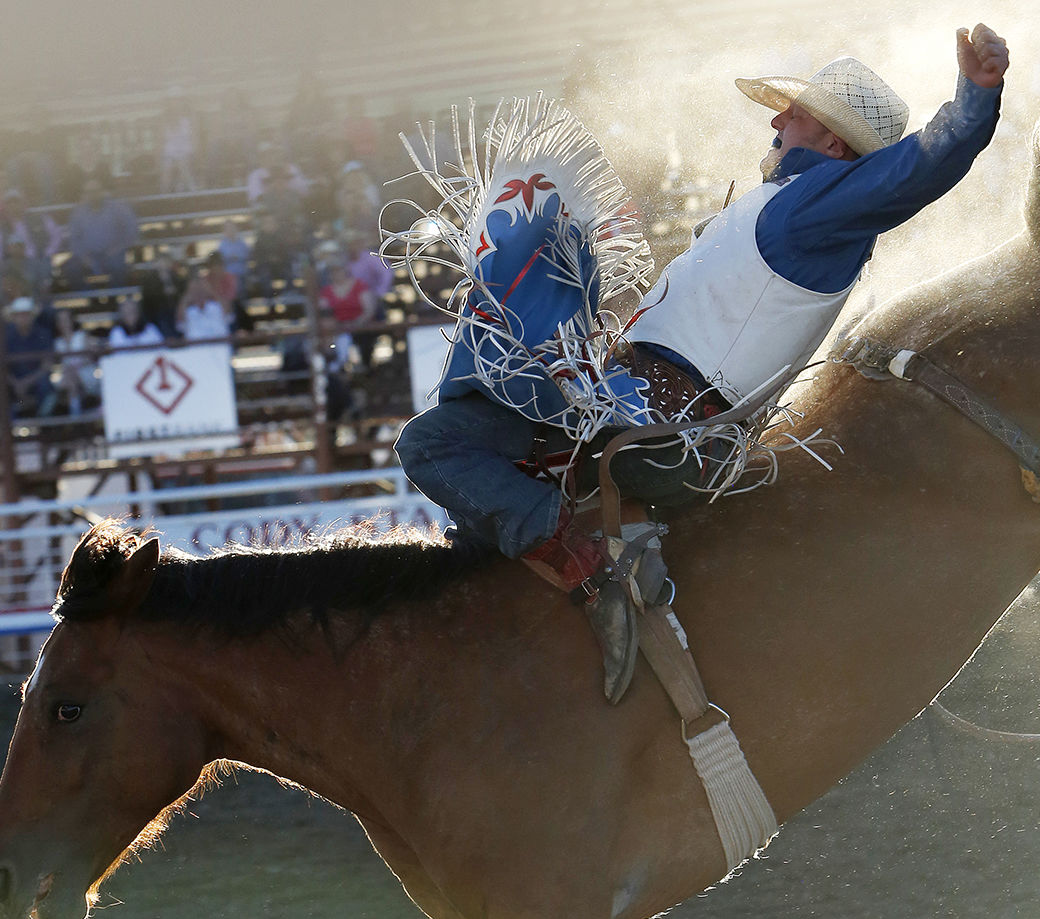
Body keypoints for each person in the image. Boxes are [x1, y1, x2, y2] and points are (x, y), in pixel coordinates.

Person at [393, 24, 1010, 703]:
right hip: (656, 410)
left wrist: (973, 104)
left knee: (437, 441)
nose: (777, 120)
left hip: (661, 423)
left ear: (833, 143)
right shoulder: (789, 208)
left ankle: (594, 572)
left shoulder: (814, 206)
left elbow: (922, 164)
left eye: (796, 114)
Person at [64, 178, 138, 289]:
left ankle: (114, 298)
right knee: (70, 268)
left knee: (119, 267)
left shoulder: (118, 207)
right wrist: (84, 257)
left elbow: (132, 228)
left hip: (113, 252)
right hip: (87, 254)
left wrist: (119, 247)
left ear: (102, 191)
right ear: (84, 194)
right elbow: (73, 239)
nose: (92, 195)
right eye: (88, 192)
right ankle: (89, 296)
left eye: (95, 191)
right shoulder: (78, 212)